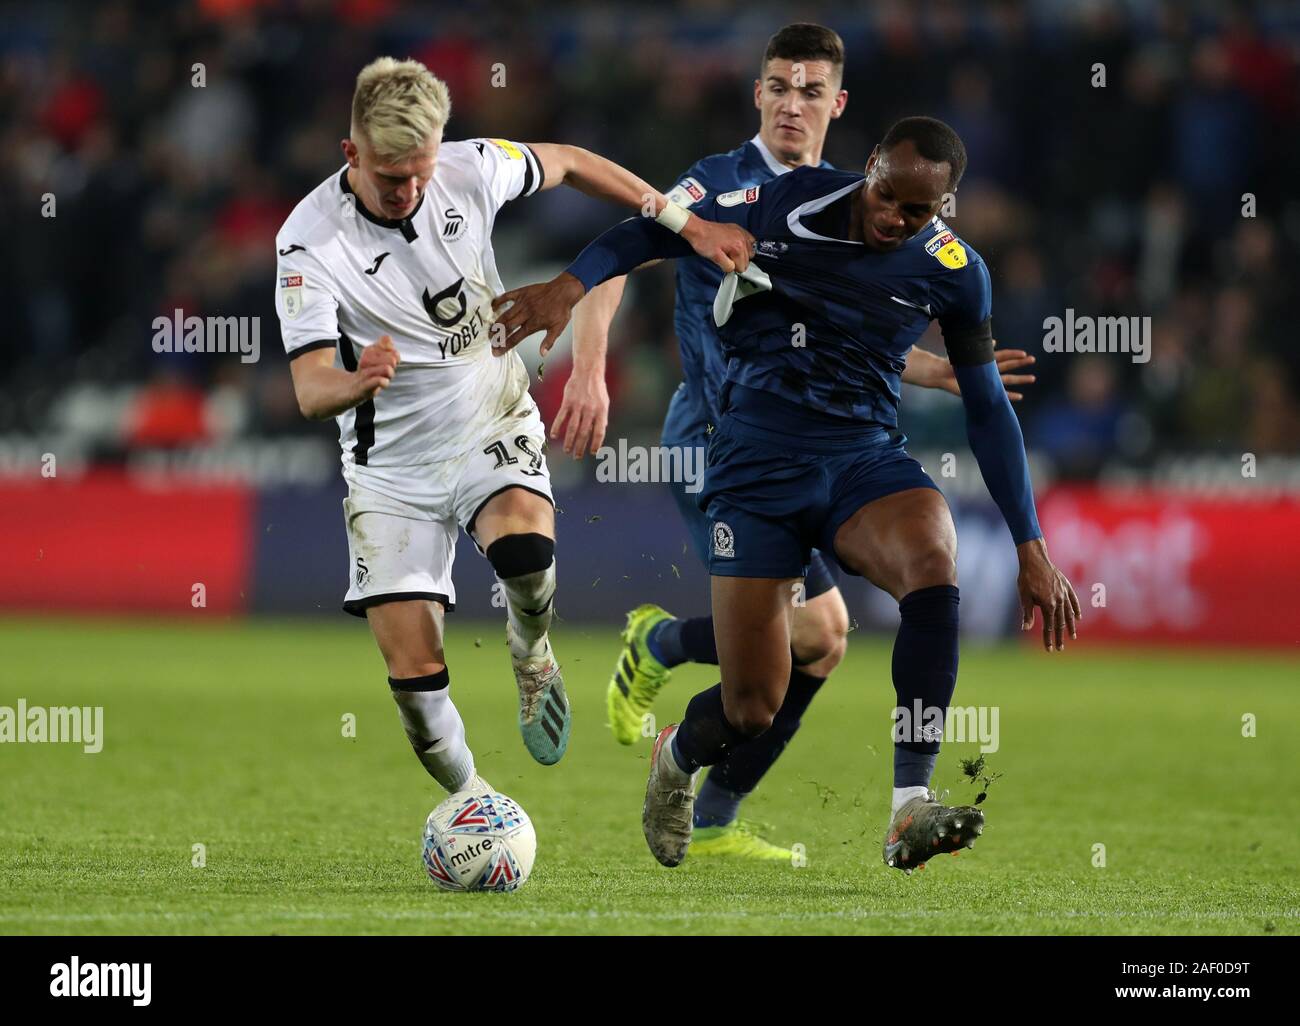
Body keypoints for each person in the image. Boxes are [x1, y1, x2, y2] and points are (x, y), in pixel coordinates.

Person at [491, 115, 1080, 873]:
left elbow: (989, 407)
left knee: (934, 557)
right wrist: (571, 289)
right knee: (751, 707)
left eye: (918, 212)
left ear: (944, 208)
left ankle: (909, 805)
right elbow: (650, 232)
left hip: (863, 460)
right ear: (869, 166)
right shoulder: (778, 203)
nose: (895, 219)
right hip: (754, 467)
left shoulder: (955, 269)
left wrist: (1032, 546)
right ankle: (676, 755)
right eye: (888, 196)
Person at [275, 57, 750, 800]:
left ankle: (531, 652)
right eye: (390, 178)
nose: (410, 193)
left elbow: (572, 163)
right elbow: (309, 390)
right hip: (390, 470)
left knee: (527, 558)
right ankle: (475, 803)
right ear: (350, 155)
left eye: (421, 173)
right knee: (418, 695)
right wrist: (357, 380)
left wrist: (684, 223)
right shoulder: (308, 244)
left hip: (487, 412)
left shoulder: (469, 169)